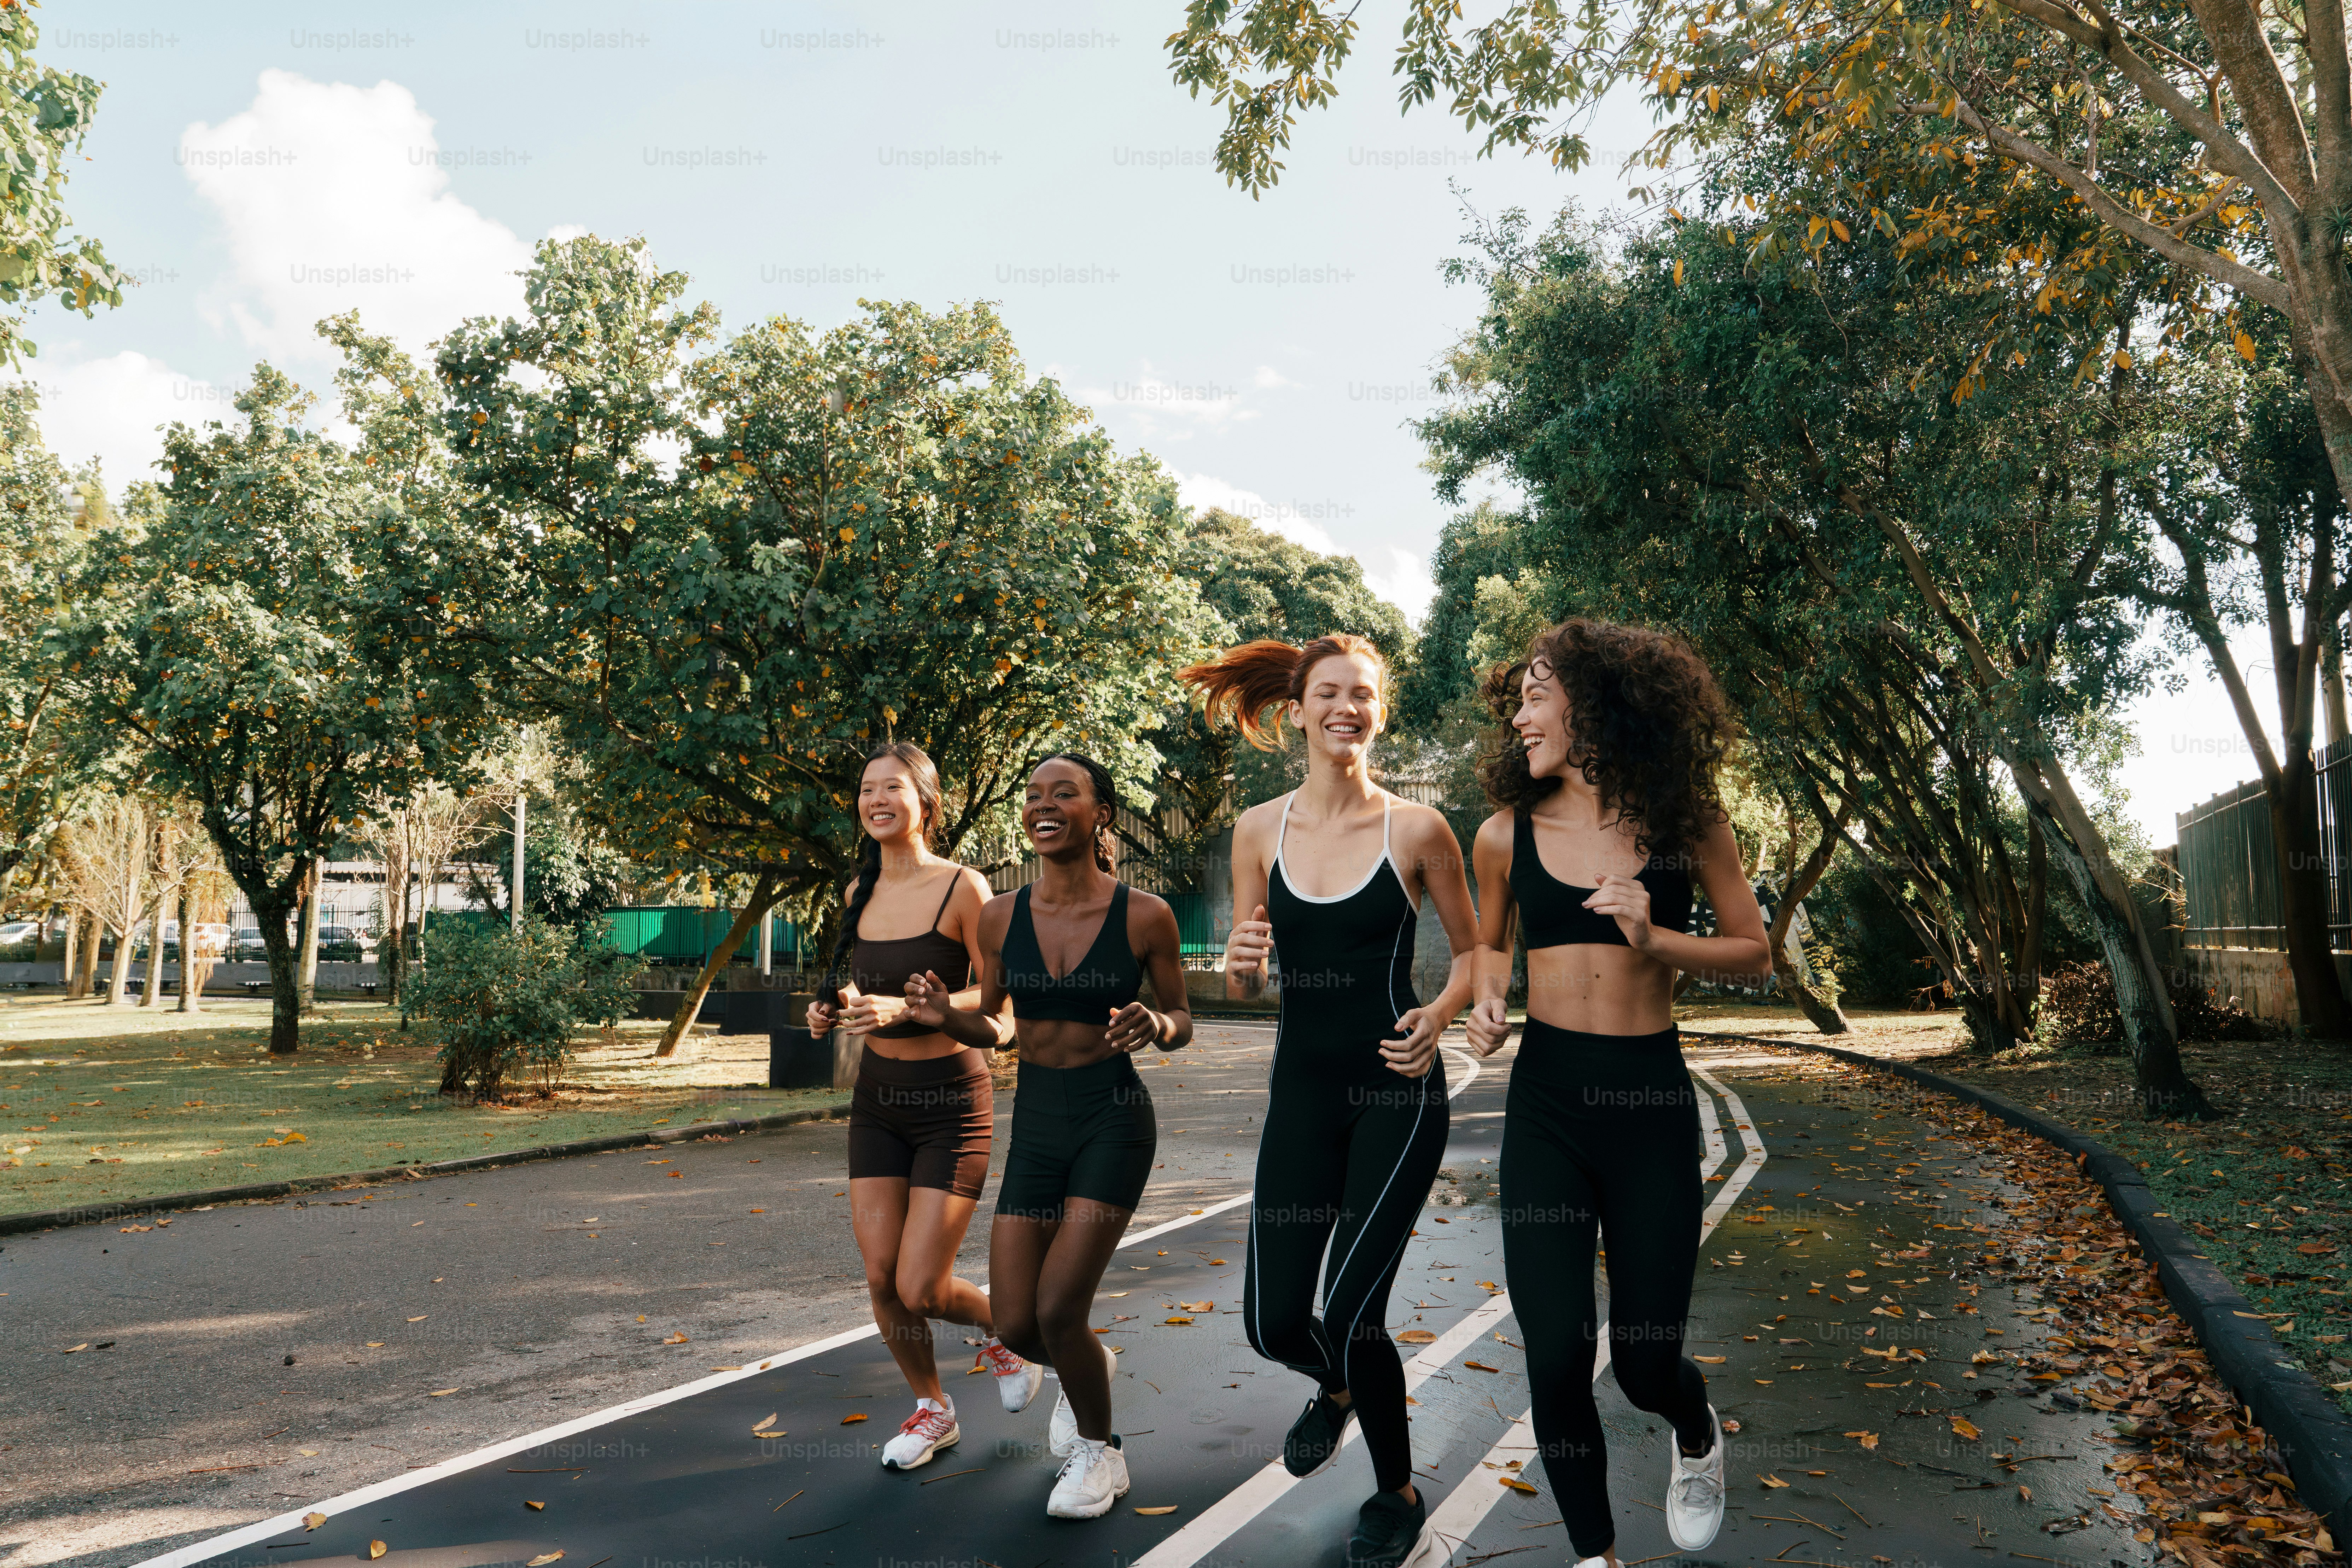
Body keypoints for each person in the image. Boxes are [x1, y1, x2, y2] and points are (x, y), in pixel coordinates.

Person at [1461, 619, 1772, 1568]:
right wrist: (1482, 1001)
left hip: (1647, 1107)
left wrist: (1655, 938)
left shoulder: (1687, 822)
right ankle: (1593, 1554)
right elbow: (1488, 946)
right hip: (1547, 1105)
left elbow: (1753, 953)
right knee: (1554, 1351)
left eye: (1535, 693)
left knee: (1641, 1364)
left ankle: (1693, 1426)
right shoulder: (1501, 833)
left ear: (1594, 703)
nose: (1518, 716)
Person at [1182, 634, 1481, 1568]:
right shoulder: (1255, 830)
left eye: (1362, 693)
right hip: (1301, 1095)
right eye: (1327, 693)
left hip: (1395, 1091)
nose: (1344, 706)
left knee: (1353, 1315)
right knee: (1274, 1323)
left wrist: (1437, 1012)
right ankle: (1341, 1387)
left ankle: (1394, 1491)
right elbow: (1244, 983)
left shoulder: (1418, 829)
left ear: (1376, 711)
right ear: (1298, 712)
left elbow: (1474, 955)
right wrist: (1236, 964)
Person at [907, 752, 1194, 1521]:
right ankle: (1090, 1363)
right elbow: (998, 1023)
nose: (1044, 804)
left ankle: (1102, 1454)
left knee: (1061, 1309)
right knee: (1016, 1322)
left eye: (1064, 792)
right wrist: (949, 1018)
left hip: (1113, 1123)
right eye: (1034, 795)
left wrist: (1156, 1022)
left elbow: (1183, 1019)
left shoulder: (1146, 916)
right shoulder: (1000, 915)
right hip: (1036, 1125)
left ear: (1101, 812)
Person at [803, 742, 1041, 1473]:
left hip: (951, 1104)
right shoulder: (858, 891)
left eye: (892, 789)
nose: (876, 800)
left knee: (921, 1285)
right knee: (880, 1277)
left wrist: (922, 1004)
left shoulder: (963, 887)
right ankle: (933, 1409)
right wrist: (833, 1010)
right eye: (867, 789)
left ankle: (1011, 1337)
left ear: (925, 802)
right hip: (878, 1100)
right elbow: (862, 989)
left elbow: (998, 1002)